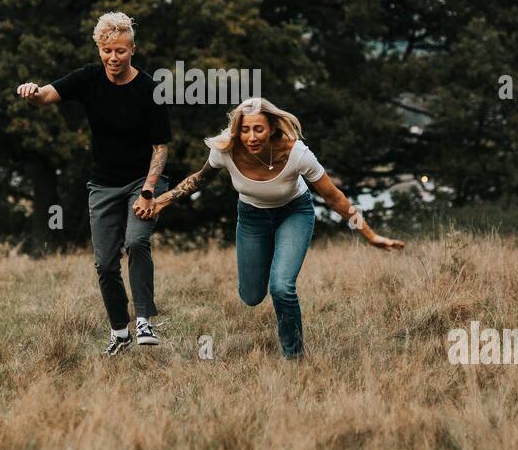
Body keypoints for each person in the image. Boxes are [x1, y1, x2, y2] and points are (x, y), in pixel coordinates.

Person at [143, 97, 402, 358]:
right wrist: (162, 201)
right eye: (245, 130)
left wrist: (370, 235)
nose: (252, 137)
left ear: (272, 128)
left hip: (294, 213)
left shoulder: (296, 153)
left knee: (281, 286)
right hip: (251, 218)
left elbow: (334, 198)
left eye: (258, 129)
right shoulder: (224, 149)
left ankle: (294, 356)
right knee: (252, 296)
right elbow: (199, 180)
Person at [16, 12, 170, 356]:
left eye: (120, 50)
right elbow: (46, 94)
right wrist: (32, 91)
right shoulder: (88, 79)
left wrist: (148, 191)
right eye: (106, 51)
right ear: (98, 49)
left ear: (133, 49)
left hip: (141, 181)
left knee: (136, 241)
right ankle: (119, 331)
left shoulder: (150, 90)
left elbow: (160, 148)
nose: (113, 58)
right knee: (104, 263)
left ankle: (144, 319)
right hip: (103, 184)